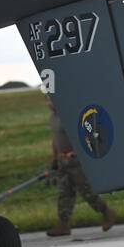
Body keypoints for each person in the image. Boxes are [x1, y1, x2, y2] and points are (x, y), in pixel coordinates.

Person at [45, 97, 115, 236]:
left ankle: (107, 212)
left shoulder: (69, 116)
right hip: (62, 161)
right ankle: (64, 225)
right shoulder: (53, 118)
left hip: (76, 161)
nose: (49, 103)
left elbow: (83, 136)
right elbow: (55, 139)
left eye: (52, 100)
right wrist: (55, 157)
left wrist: (77, 152)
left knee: (87, 191)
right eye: (47, 100)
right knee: (64, 193)